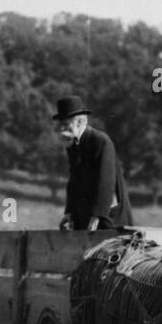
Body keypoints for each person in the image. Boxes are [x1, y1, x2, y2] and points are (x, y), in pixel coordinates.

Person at [52, 96, 134, 231]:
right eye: (61, 125)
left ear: (80, 122)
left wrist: (98, 215)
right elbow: (74, 181)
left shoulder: (101, 141)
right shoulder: (73, 144)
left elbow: (106, 182)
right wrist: (69, 211)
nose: (62, 130)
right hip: (87, 216)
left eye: (66, 125)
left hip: (110, 217)